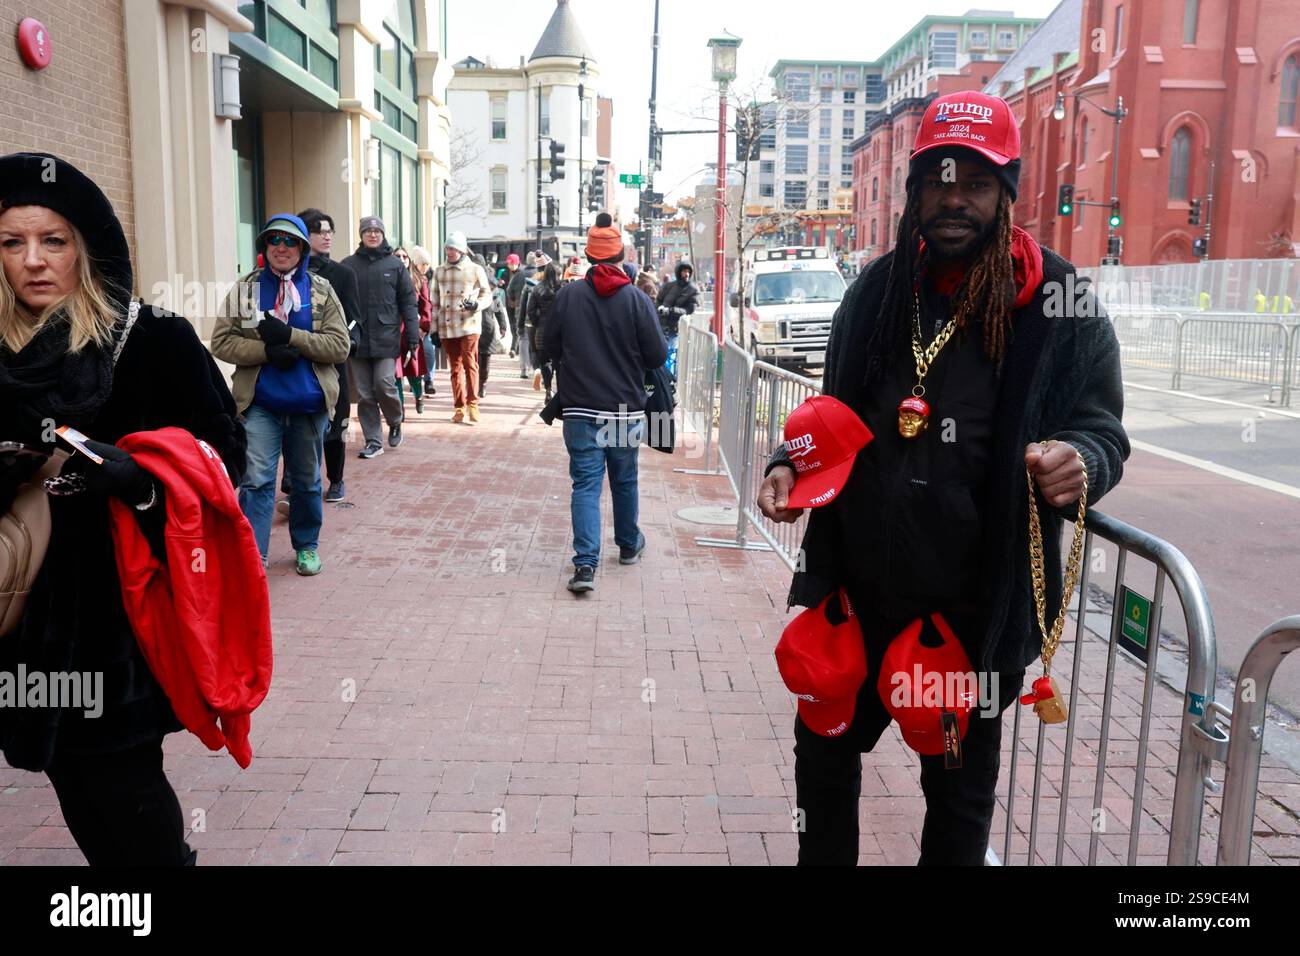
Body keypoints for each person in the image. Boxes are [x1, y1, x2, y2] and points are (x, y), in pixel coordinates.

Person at [754, 91, 1130, 866]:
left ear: (1007, 194)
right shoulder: (876, 292)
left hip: (970, 615)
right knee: (822, 768)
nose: (955, 199)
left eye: (977, 183)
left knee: (956, 800)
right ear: (915, 190)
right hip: (856, 599)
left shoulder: (1061, 305)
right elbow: (831, 417)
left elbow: (1103, 430)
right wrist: (788, 465)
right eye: (938, 180)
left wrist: (1082, 461)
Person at [0, 152, 249, 865]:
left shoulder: (153, 338)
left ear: (84, 246)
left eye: (53, 240)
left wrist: (140, 481)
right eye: (12, 243)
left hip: (122, 613)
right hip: (21, 613)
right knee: (74, 784)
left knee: (130, 797)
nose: (33, 260)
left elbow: (226, 460)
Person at [211, 213, 350, 575]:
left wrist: (292, 338)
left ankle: (306, 546)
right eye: (274, 240)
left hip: (308, 404)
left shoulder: (320, 290)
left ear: (302, 248)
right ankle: (253, 554)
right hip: (261, 405)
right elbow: (221, 342)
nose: (282, 247)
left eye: (290, 241)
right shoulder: (246, 290)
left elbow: (340, 346)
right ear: (265, 246)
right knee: (256, 480)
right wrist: (266, 352)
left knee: (306, 482)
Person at [544, 213, 667, 594]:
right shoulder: (637, 300)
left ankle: (585, 565)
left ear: (588, 256)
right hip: (624, 410)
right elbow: (657, 355)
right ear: (620, 255)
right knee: (624, 479)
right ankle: (628, 545)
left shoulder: (568, 296)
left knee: (585, 484)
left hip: (580, 408)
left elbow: (548, 346)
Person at [341, 216, 420, 458]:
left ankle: (395, 420)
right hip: (357, 339)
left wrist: (413, 337)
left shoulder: (395, 265)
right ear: (361, 235)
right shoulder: (348, 266)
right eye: (368, 231)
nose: (372, 235)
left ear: (383, 235)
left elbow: (408, 303)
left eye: (377, 231)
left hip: (386, 338)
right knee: (365, 394)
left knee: (384, 384)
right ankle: (373, 441)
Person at [299, 207, 360, 503]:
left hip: (333, 361)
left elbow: (355, 319)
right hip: (296, 360)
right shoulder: (289, 273)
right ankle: (294, 481)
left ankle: (336, 478)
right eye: (319, 231)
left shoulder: (343, 274)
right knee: (298, 421)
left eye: (329, 231)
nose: (326, 237)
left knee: (337, 422)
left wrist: (351, 342)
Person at [429, 231, 493, 424]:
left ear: (462, 250)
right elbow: (435, 303)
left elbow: (487, 294)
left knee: (469, 363)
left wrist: (477, 304)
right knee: (455, 368)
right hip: (447, 326)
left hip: (469, 324)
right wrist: (434, 329)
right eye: (447, 248)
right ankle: (459, 407)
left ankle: (473, 404)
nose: (449, 252)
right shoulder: (439, 271)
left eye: (453, 248)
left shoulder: (475, 269)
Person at [393, 246, 432, 415]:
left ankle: (419, 395)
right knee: (396, 372)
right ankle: (399, 409)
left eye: (404, 256)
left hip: (411, 331)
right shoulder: (387, 277)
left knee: (414, 370)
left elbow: (426, 306)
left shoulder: (419, 280)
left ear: (409, 259)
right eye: (397, 256)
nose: (401, 259)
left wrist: (423, 327)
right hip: (392, 332)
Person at [472, 251, 508, 398]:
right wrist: (502, 325)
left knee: (473, 357)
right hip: (488, 325)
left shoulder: (469, 282)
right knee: (485, 357)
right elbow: (498, 308)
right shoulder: (492, 286)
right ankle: (482, 385)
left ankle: (475, 385)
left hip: (471, 325)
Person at [655, 260, 699, 377]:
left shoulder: (693, 290)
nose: (686, 274)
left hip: (675, 328)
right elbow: (659, 299)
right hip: (661, 325)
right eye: (684, 271)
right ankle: (661, 377)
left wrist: (671, 310)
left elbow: (689, 310)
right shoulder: (668, 286)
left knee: (671, 353)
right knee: (660, 353)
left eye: (688, 271)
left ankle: (668, 378)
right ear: (679, 272)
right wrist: (659, 308)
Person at [528, 261, 562, 400]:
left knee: (544, 362)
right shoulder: (563, 289)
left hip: (542, 330)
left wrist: (537, 322)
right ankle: (560, 393)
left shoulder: (537, 289)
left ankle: (548, 390)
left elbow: (530, 310)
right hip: (560, 331)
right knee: (559, 363)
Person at [410, 245, 438, 395]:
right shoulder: (408, 277)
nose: (425, 267)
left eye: (427, 264)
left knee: (428, 350)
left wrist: (425, 325)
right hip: (411, 321)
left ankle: (429, 380)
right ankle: (416, 380)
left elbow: (427, 304)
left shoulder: (427, 278)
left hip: (424, 322)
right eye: (422, 264)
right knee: (414, 353)